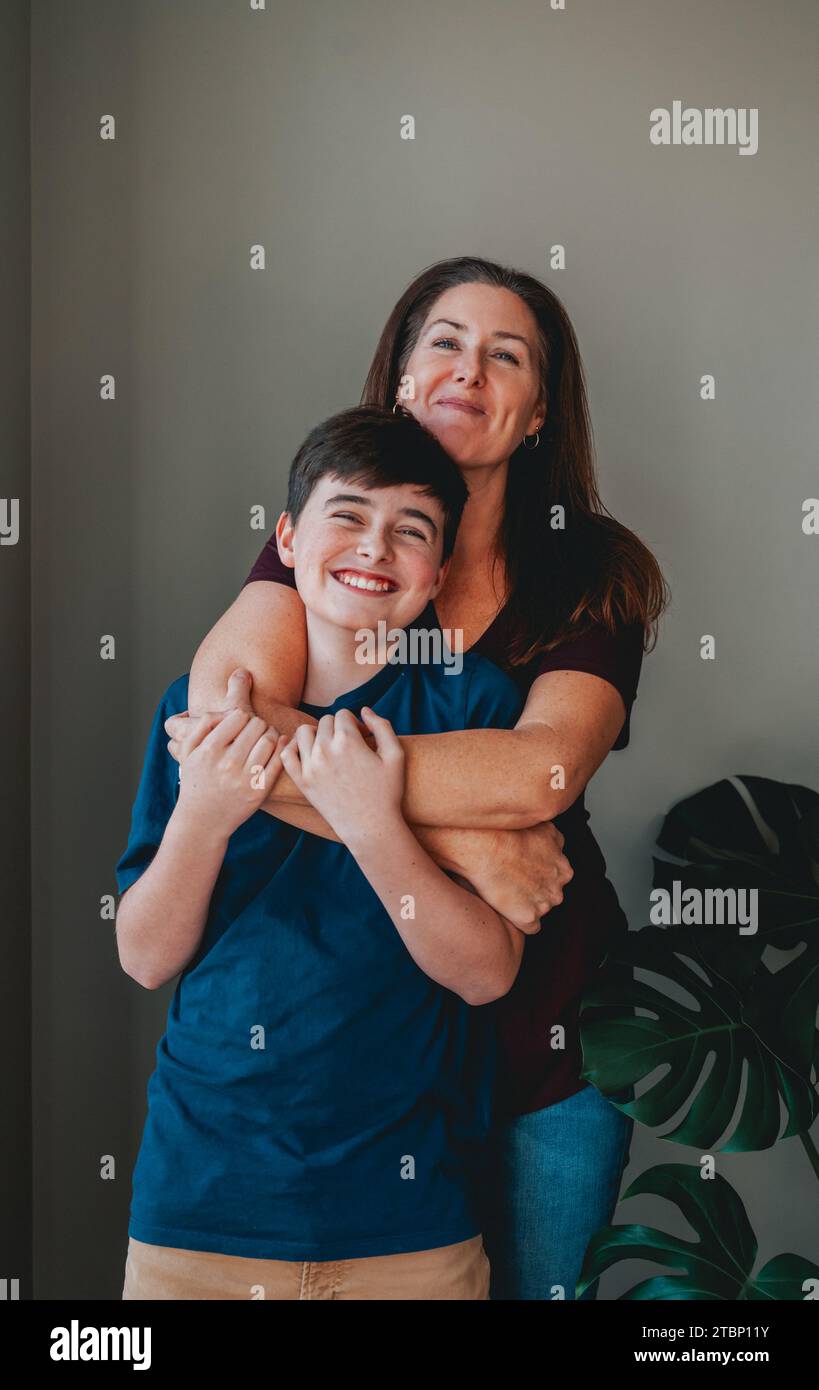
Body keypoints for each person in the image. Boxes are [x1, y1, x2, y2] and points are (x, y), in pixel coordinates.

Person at [165, 256, 670, 1299]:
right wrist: (467, 840)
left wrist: (367, 798)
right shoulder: (340, 530)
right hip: (367, 1057)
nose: (466, 370)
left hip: (542, 1041)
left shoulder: (593, 569)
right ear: (400, 373)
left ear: (539, 410)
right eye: (442, 341)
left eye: (505, 355)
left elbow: (542, 773)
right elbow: (219, 715)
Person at [115, 405, 532, 1300]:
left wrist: (376, 827)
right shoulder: (196, 717)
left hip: (409, 1214)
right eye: (348, 516)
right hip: (204, 1203)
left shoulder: (476, 705)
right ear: (288, 539)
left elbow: (486, 974)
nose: (375, 548)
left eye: (409, 530)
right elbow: (145, 956)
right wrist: (205, 818)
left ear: (438, 573)